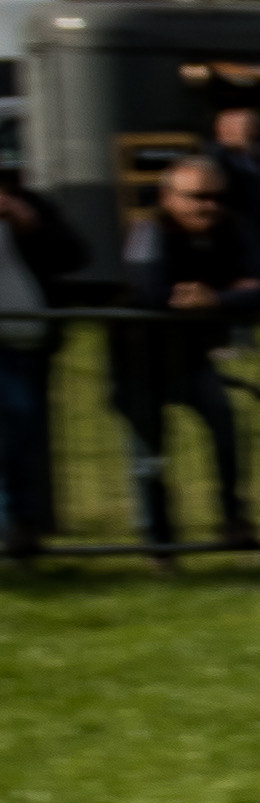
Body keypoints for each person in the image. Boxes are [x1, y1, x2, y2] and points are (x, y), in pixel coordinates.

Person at [111, 152, 260, 562]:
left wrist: (215, 298)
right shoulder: (149, 230)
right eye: (197, 197)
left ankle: (233, 518)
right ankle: (160, 542)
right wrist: (222, 294)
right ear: (168, 196)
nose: (209, 206)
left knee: (226, 430)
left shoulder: (231, 229)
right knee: (150, 455)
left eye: (217, 197)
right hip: (139, 363)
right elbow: (152, 290)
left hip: (192, 359)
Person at [0, 171, 102, 563]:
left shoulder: (30, 204)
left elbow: (75, 256)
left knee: (20, 437)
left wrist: (31, 226)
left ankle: (21, 531)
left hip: (23, 342)